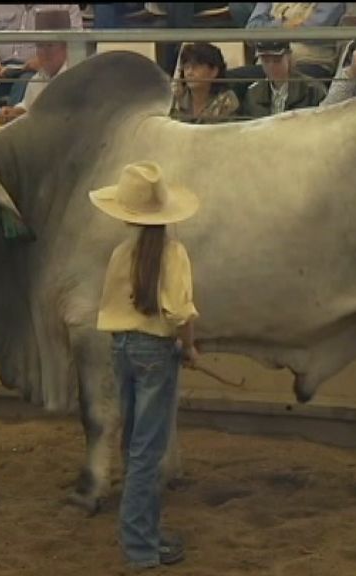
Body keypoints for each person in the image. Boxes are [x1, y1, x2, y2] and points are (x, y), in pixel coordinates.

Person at [89, 161, 200, 570]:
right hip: (156, 351)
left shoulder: (122, 253)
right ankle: (140, 546)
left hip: (122, 348)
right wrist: (189, 349)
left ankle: (147, 536)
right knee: (147, 452)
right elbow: (180, 313)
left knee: (135, 443)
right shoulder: (174, 254)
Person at [0, 4, 82, 135]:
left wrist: (41, 60)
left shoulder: (66, 6)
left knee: (26, 83)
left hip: (35, 69)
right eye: (41, 45)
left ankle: (10, 137)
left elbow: (77, 42)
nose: (45, 48)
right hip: (1, 68)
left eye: (47, 45)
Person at [0, 10, 73, 135]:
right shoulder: (38, 79)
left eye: (50, 45)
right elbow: (28, 106)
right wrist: (13, 112)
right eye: (40, 46)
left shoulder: (74, 78)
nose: (44, 53)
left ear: (66, 46)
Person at [227, 3, 346, 101]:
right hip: (267, 65)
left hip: (310, 64)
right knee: (229, 79)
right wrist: (285, 25)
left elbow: (313, 32)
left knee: (302, 89)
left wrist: (271, 29)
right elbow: (251, 31)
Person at [241, 40, 327, 118]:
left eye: (277, 60)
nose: (271, 66)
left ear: (289, 57)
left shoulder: (313, 91)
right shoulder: (253, 94)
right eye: (266, 61)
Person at [171, 42, 240, 123]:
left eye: (195, 67)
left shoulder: (226, 101)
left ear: (214, 71)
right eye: (186, 67)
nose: (189, 72)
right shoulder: (176, 97)